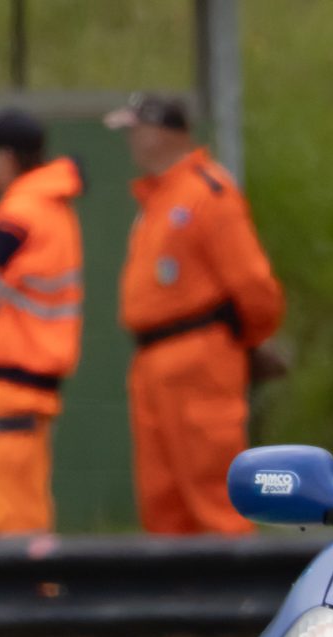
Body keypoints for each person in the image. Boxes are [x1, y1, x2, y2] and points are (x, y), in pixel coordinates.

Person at [109, 92, 284, 535]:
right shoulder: (158, 199)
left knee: (213, 489)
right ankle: (176, 598)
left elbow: (254, 288)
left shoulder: (209, 192)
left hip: (199, 356)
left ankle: (234, 596)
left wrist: (235, 344)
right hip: (153, 363)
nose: (131, 139)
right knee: (161, 498)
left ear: (162, 131)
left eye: (137, 128)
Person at [0, 108, 82, 535]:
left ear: (8, 157)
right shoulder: (54, 208)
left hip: (11, 383)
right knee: (26, 501)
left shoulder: (19, 213)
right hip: (32, 383)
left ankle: (29, 598)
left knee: (11, 510)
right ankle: (39, 592)